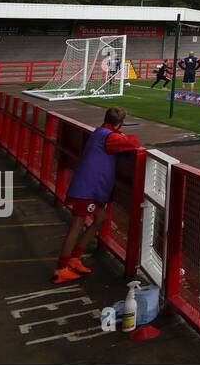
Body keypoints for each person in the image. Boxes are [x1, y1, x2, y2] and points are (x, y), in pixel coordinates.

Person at [52, 107, 142, 284]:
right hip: (88, 188)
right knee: (77, 224)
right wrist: (123, 136)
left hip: (89, 187)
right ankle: (62, 268)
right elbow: (134, 142)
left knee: (100, 218)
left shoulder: (100, 132)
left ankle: (75, 257)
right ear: (120, 123)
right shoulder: (110, 136)